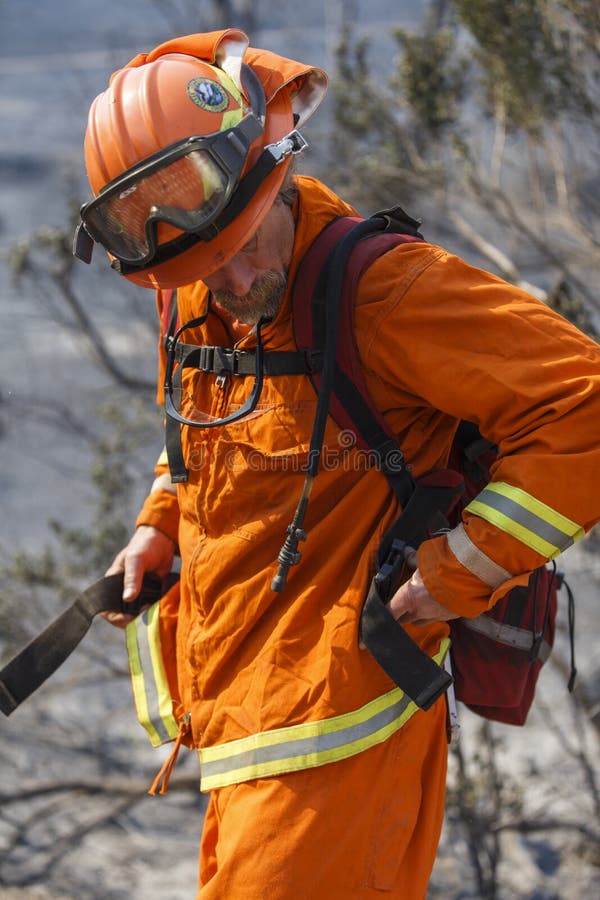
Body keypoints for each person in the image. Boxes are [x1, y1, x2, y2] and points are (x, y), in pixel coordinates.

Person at [74, 28, 600, 899]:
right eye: (208, 264)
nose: (236, 279)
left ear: (275, 168)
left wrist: (460, 571)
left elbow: (586, 402)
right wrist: (157, 525)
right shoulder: (191, 286)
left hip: (335, 743)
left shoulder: (385, 293)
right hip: (248, 728)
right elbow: (212, 436)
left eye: (247, 243)